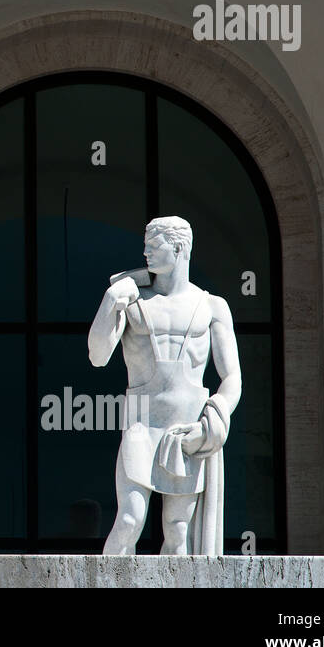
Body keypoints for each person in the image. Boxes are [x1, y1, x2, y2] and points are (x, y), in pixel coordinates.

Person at [87, 216, 241, 555]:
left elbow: (232, 378)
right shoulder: (134, 300)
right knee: (130, 519)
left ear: (180, 248)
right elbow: (97, 356)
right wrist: (111, 300)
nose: (146, 254)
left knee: (177, 530)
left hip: (187, 429)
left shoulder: (212, 307)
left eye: (153, 247)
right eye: (145, 246)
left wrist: (214, 420)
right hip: (141, 422)